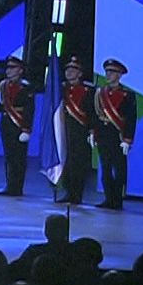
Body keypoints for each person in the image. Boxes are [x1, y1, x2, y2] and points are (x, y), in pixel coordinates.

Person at [93, 58, 135, 209]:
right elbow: (96, 115)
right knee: (105, 168)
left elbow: (130, 118)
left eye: (112, 72)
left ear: (119, 75)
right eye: (107, 72)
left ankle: (117, 200)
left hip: (118, 136)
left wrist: (127, 139)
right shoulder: (100, 92)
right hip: (103, 135)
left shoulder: (127, 95)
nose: (108, 75)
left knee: (119, 169)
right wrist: (93, 132)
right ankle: (108, 198)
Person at [56, 56, 95, 205]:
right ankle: (67, 191)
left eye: (73, 70)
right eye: (68, 69)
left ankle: (76, 194)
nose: (69, 72)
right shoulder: (60, 88)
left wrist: (92, 131)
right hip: (63, 129)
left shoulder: (88, 90)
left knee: (78, 163)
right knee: (65, 162)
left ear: (80, 73)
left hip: (80, 132)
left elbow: (92, 112)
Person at [0, 56, 34, 196]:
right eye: (8, 68)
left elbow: (29, 109)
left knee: (19, 158)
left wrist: (26, 129)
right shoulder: (3, 85)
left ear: (20, 70)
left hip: (19, 125)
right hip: (6, 123)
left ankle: (17, 187)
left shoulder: (26, 87)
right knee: (9, 156)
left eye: (12, 68)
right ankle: (10, 185)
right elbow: (3, 104)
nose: (9, 70)